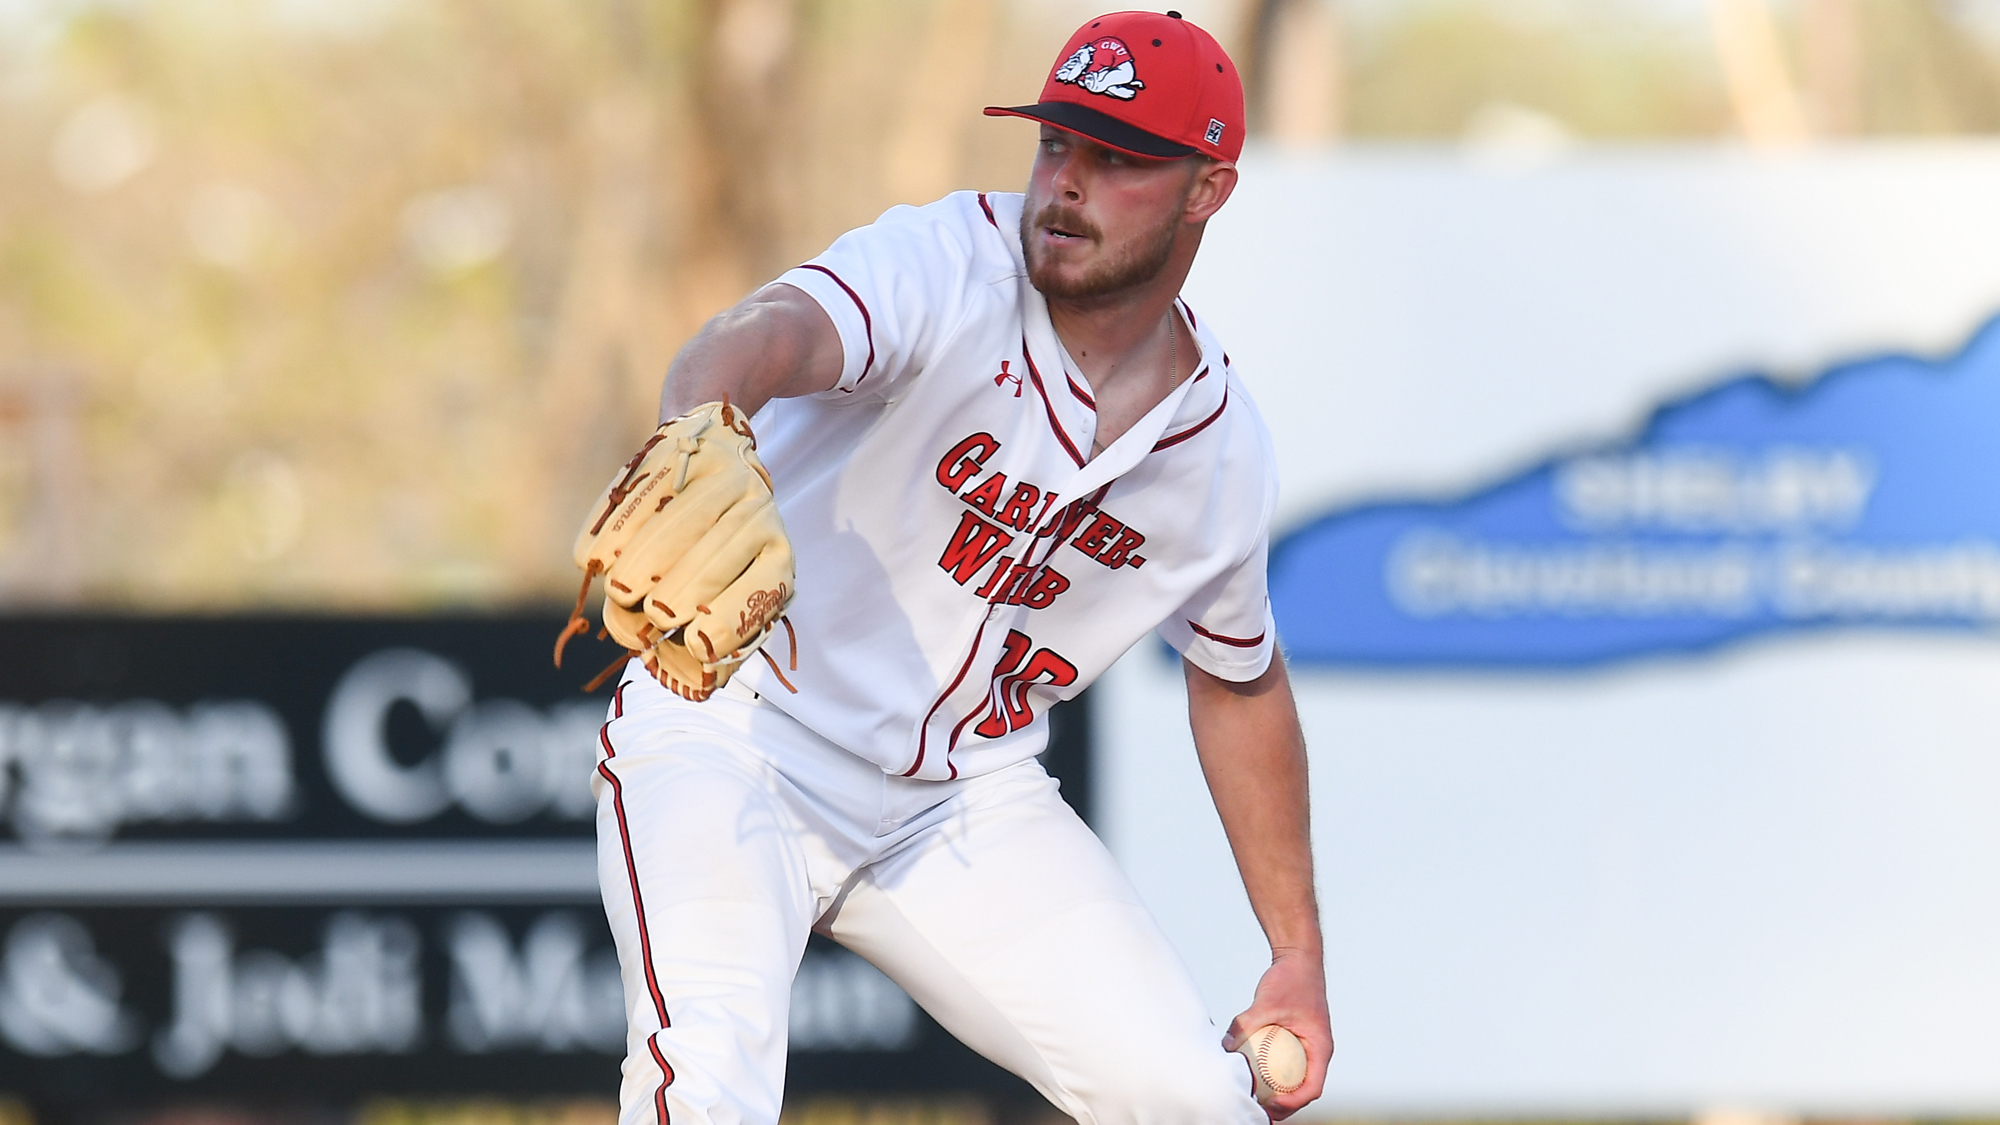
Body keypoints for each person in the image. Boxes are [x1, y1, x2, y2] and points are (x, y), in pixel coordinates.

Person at [590, 10, 1330, 1124]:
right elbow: (773, 329)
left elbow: (1237, 681)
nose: (1066, 184)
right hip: (736, 736)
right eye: (1054, 145)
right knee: (710, 1073)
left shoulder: (1216, 451)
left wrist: (1294, 955)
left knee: (1191, 1098)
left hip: (956, 804)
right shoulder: (946, 262)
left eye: (1116, 159)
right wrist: (697, 415)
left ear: (1204, 191)